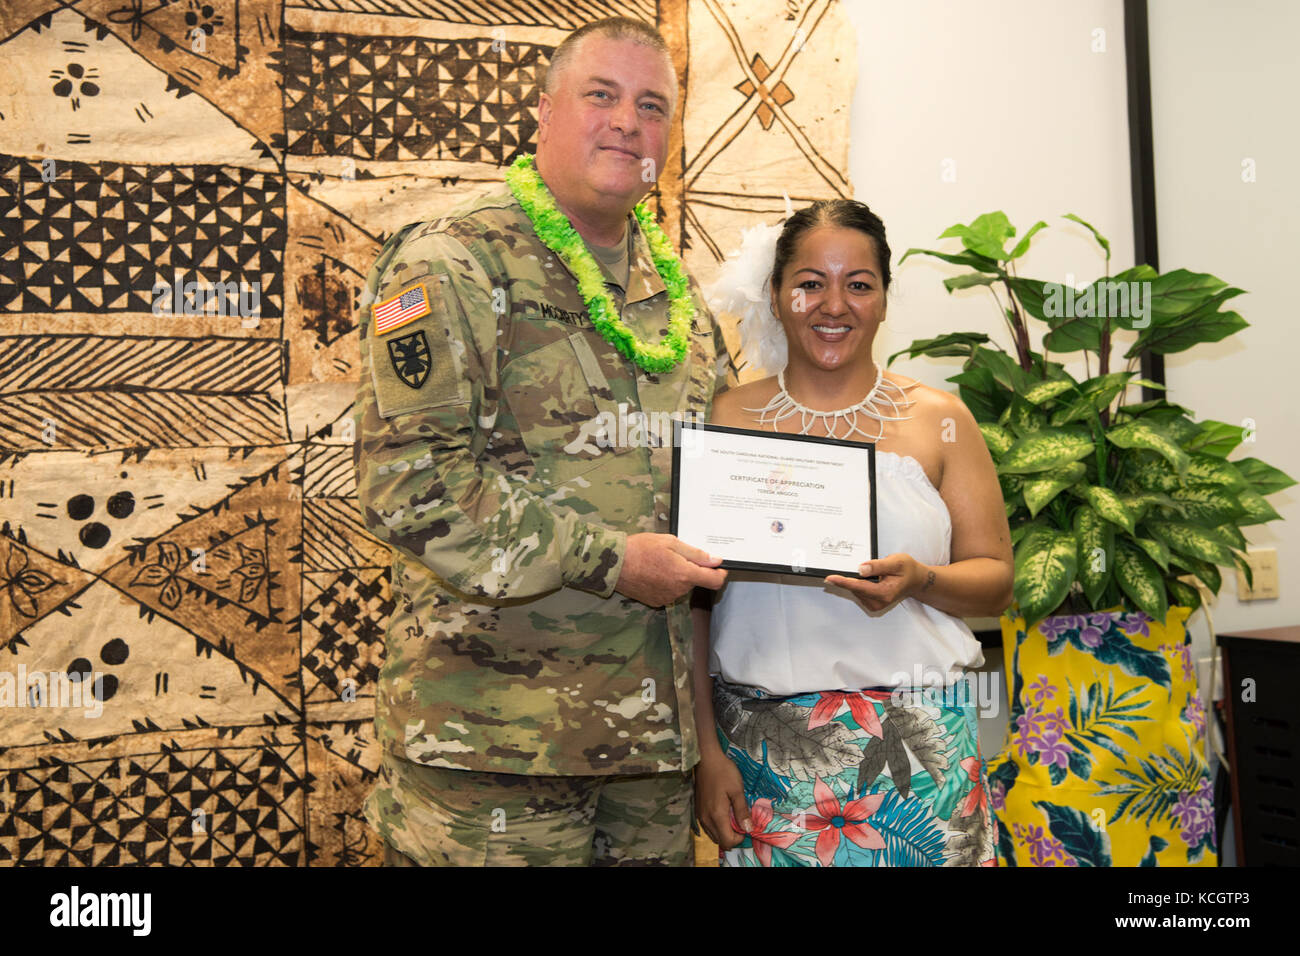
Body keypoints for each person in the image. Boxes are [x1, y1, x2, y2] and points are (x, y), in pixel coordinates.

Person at [353, 17, 733, 866]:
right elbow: (413, 488)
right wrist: (611, 560)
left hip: (649, 761)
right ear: (542, 114)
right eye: (601, 95)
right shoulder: (448, 263)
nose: (628, 122)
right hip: (494, 754)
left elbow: (728, 486)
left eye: (653, 106)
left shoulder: (681, 302)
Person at [692, 199, 1014, 867]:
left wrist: (921, 582)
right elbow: (692, 603)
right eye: (809, 282)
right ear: (777, 296)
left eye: (858, 284)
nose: (832, 304)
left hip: (923, 753)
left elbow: (997, 581)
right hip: (767, 755)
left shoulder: (939, 421)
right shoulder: (723, 418)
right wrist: (705, 751)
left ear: (884, 299)